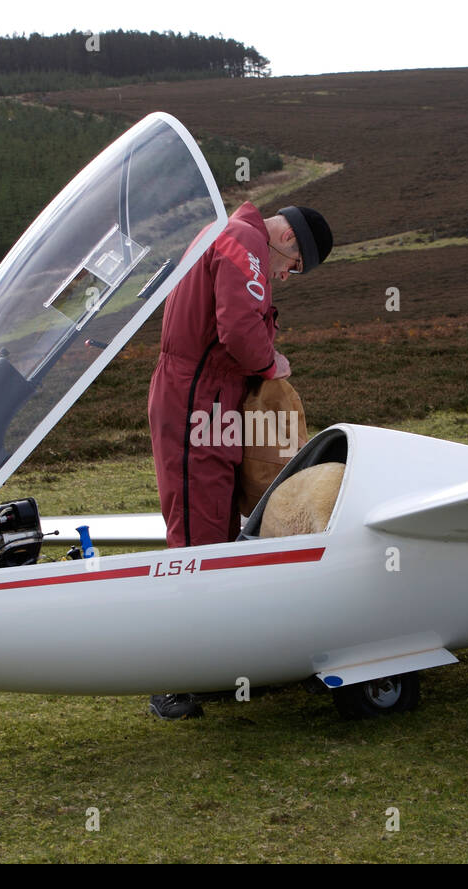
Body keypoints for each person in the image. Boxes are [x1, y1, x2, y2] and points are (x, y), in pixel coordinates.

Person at [147, 202, 333, 720]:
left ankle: (210, 663)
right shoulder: (246, 243)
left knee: (221, 527)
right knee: (195, 539)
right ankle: (172, 677)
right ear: (289, 242)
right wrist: (273, 363)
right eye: (292, 268)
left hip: (210, 399)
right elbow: (238, 330)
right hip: (195, 401)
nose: (284, 276)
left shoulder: (226, 234)